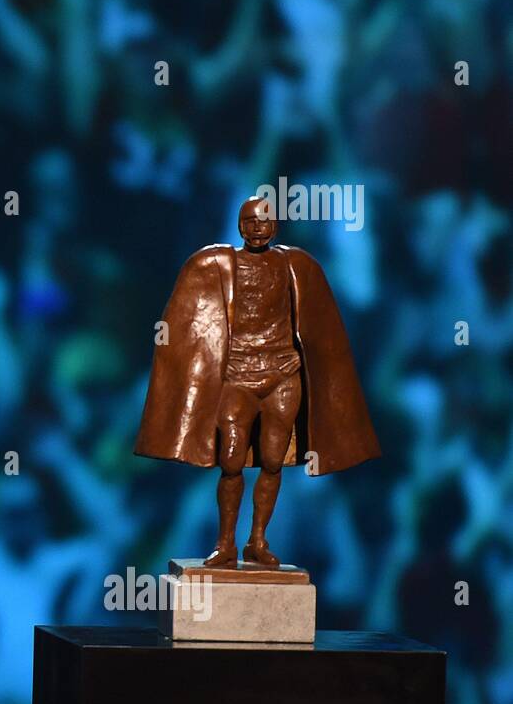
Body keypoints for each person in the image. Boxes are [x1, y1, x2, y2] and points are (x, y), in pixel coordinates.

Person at [134, 196, 378, 567]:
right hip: (238, 376)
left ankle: (257, 541)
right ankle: (226, 542)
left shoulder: (299, 268)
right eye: (248, 221)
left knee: (272, 461)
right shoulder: (218, 265)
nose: (256, 227)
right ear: (239, 226)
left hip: (282, 376)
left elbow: (326, 331)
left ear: (275, 227)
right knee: (231, 459)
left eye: (263, 221)